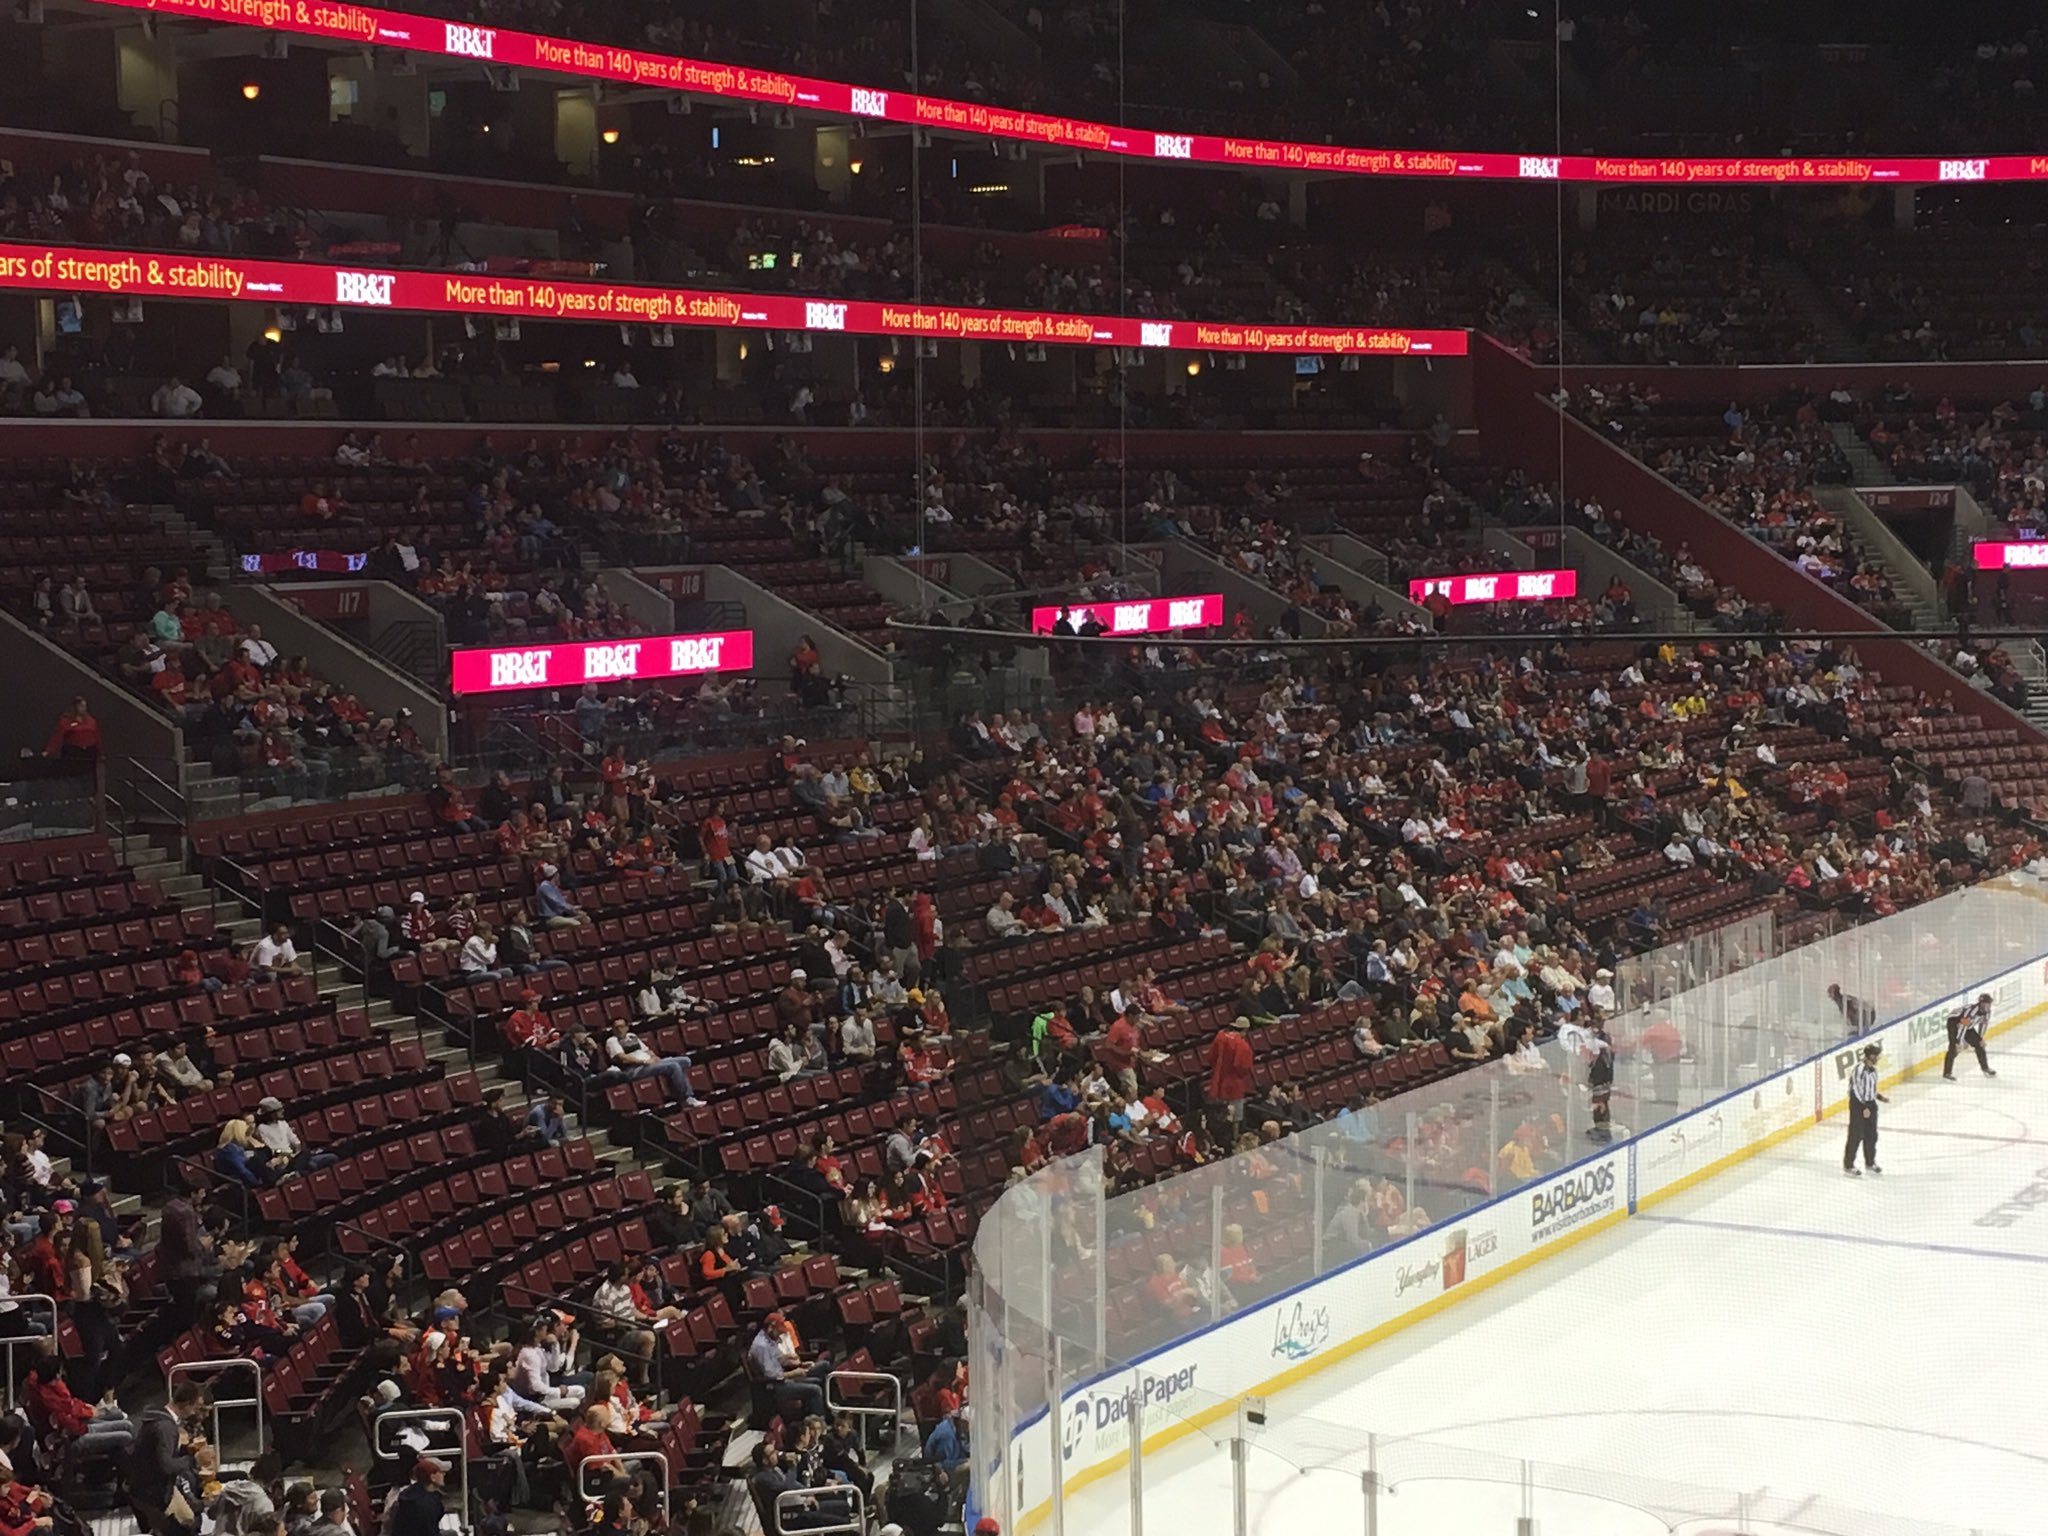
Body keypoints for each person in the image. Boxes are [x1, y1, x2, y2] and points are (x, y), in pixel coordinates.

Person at [1844, 1043, 1886, 1176]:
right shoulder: (1859, 1070)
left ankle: (1870, 1162)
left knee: (1871, 1135)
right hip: (1858, 1105)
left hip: (1871, 1104)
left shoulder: (1873, 1070)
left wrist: (1878, 1097)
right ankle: (1848, 1164)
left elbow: (1870, 1088)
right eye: (1876, 1055)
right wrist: (1864, 1107)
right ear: (1870, 1056)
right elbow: (1856, 1089)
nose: (1878, 1058)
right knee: (1856, 1135)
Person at [385, 1457, 449, 1536]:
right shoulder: (426, 1505)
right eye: (440, 1472)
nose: (444, 1474)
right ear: (433, 1478)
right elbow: (430, 1531)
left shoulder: (411, 1493)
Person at [1943, 992, 1998, 1081]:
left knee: (1980, 1045)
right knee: (1953, 1049)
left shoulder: (1987, 1012)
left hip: (1967, 1025)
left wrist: (1980, 1038)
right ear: (1981, 1004)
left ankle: (1985, 1068)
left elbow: (1983, 1025)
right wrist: (1958, 1042)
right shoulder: (1970, 1012)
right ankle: (1947, 1073)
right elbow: (1962, 1026)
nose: (1989, 1006)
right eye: (1987, 1004)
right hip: (1954, 1023)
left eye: (1989, 1004)